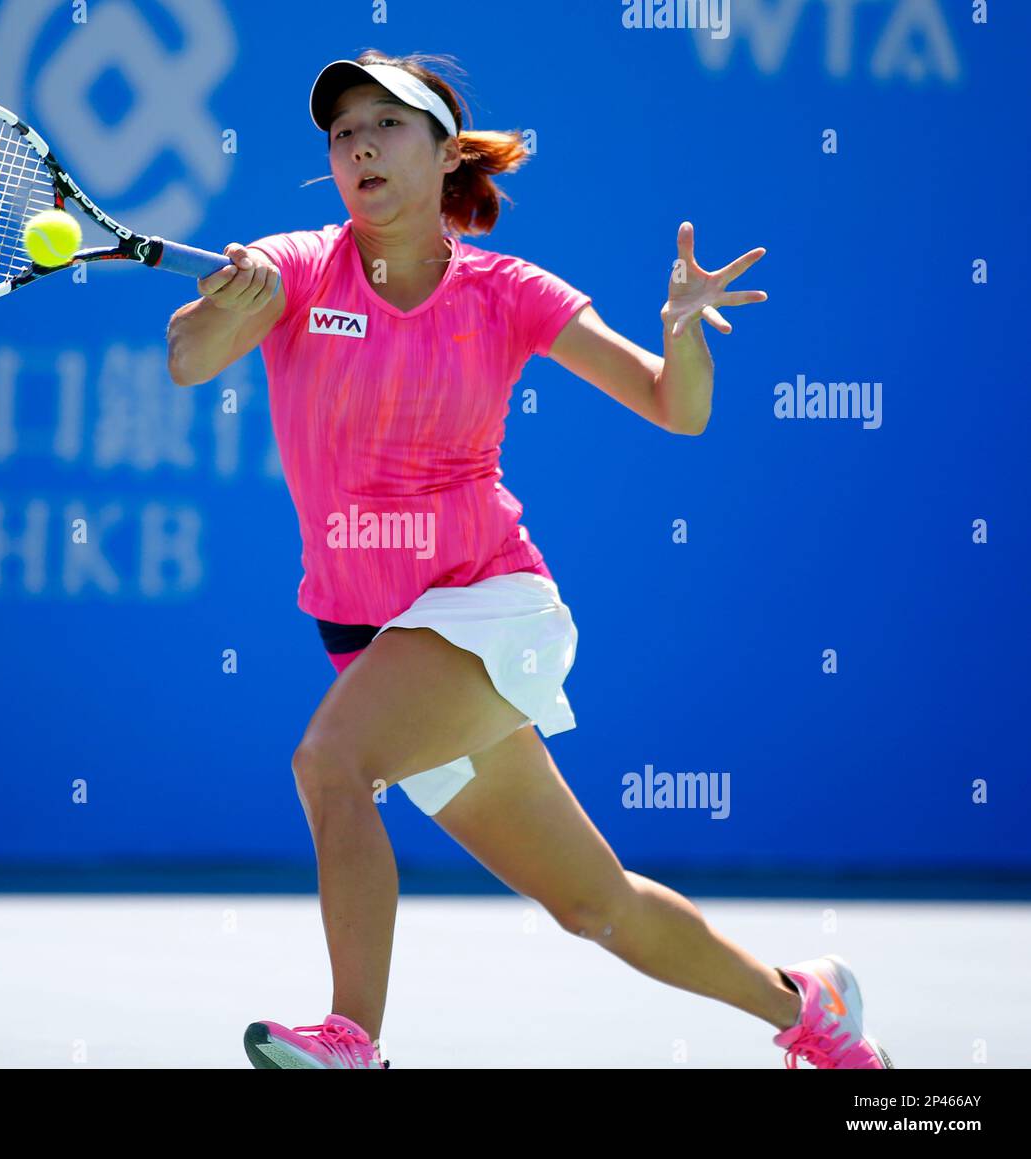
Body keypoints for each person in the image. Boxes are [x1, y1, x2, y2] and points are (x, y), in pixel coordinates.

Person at [166, 50, 890, 1070]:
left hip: (486, 606)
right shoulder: (293, 265)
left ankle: (351, 1039)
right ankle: (807, 1008)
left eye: (387, 124)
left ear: (444, 150)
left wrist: (683, 334)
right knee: (596, 905)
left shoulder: (509, 292)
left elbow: (674, 408)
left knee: (331, 762)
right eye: (342, 133)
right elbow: (189, 358)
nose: (360, 145)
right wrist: (224, 311)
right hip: (370, 641)